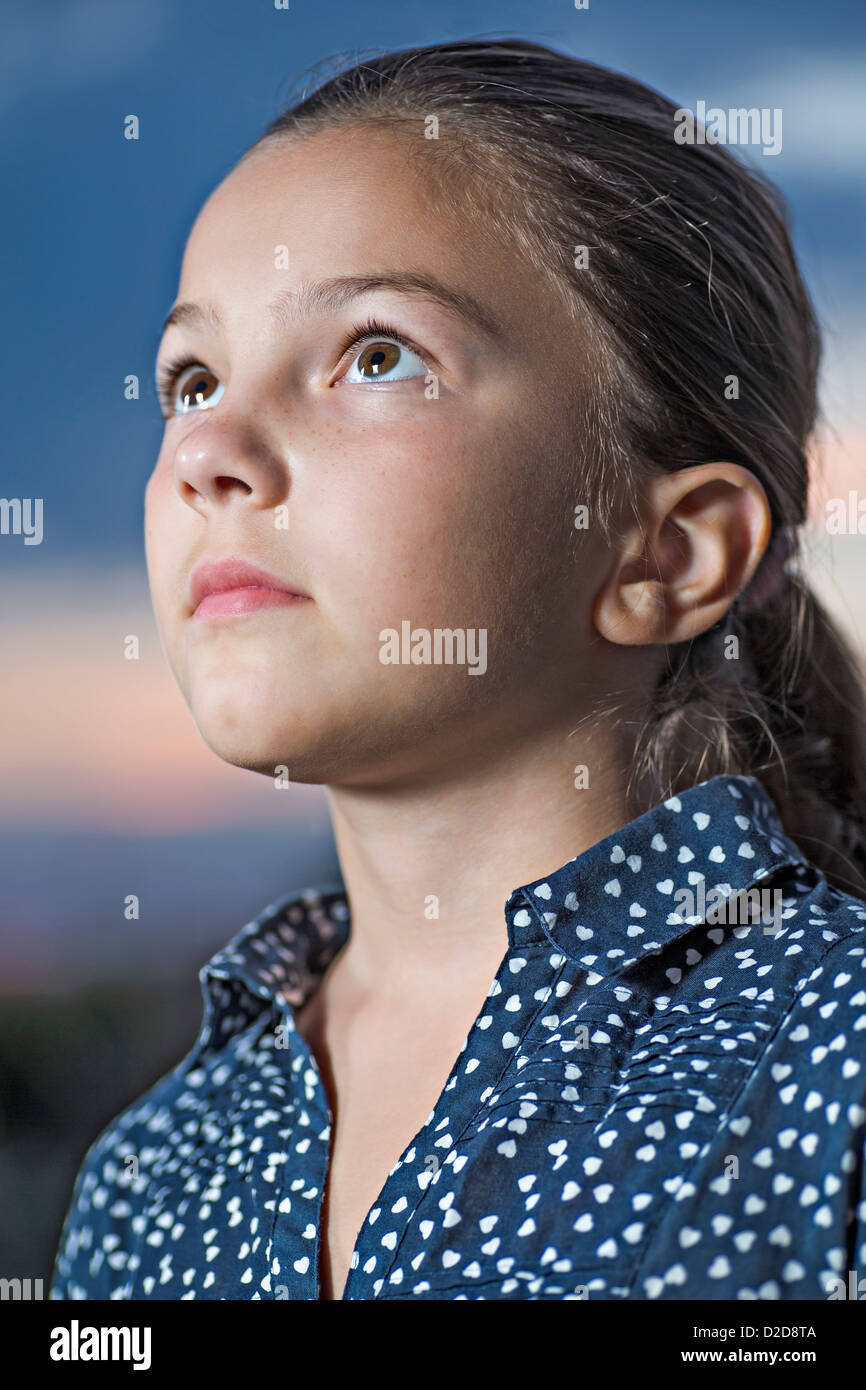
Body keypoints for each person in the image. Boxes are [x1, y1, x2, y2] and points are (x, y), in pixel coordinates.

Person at [51, 38, 866, 1301]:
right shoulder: (147, 1171)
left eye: (375, 356)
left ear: (671, 551)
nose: (209, 447)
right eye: (191, 377)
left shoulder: (834, 1064)